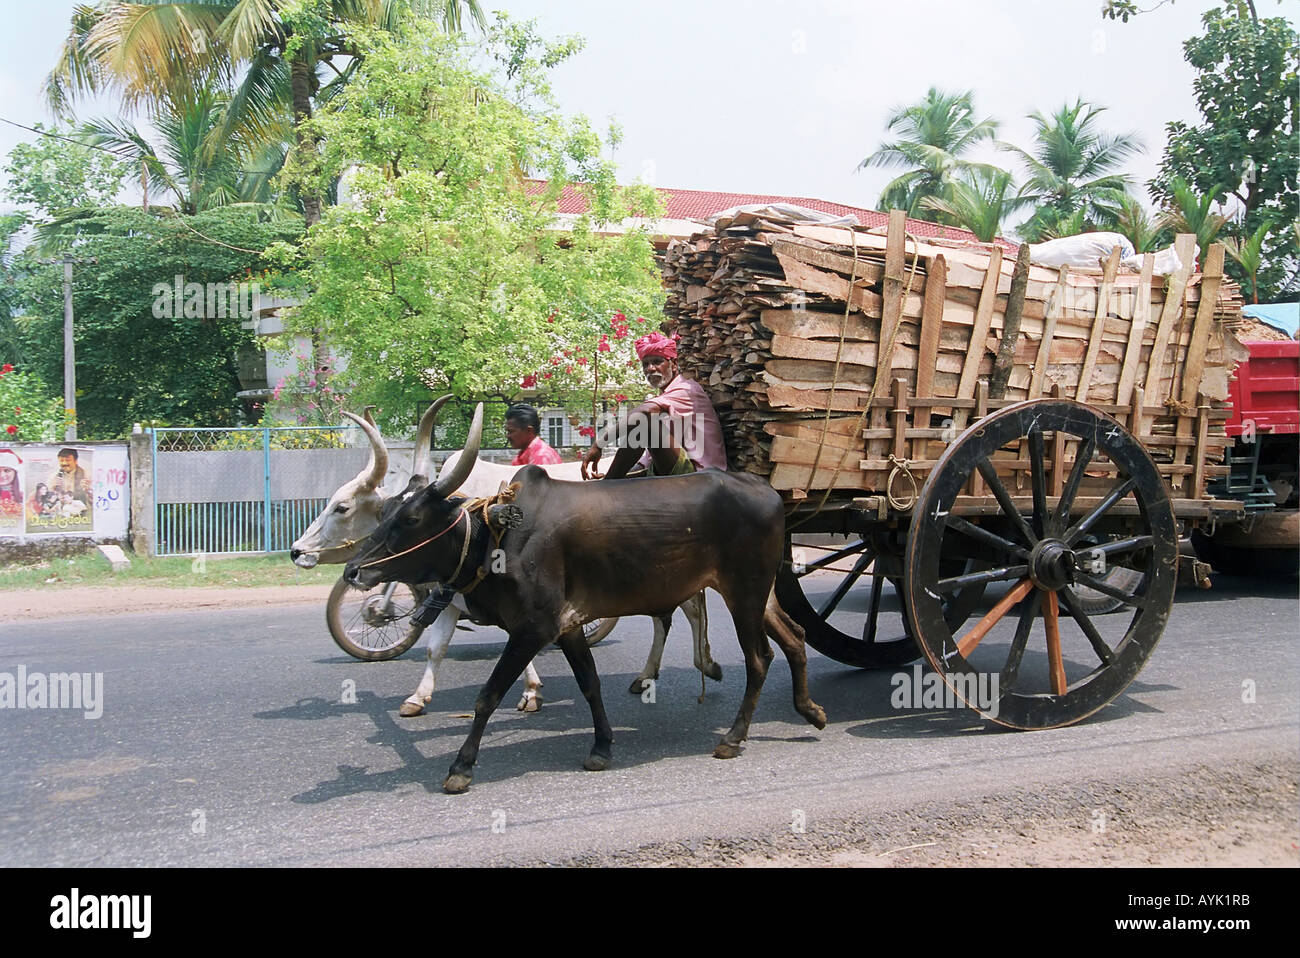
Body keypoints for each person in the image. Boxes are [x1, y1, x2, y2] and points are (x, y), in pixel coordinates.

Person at [581, 331, 727, 481]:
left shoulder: (687, 390)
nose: (650, 368)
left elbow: (643, 413)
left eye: (657, 362)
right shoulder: (663, 399)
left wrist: (598, 445)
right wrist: (623, 476)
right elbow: (646, 460)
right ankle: (610, 483)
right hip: (676, 468)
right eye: (646, 364)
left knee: (644, 423)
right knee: (644, 426)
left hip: (702, 476)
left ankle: (607, 486)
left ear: (674, 365)